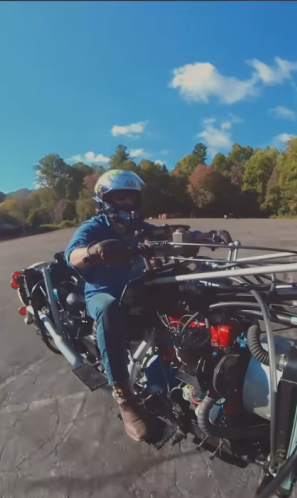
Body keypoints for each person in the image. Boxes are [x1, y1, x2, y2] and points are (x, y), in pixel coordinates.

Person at [64, 169, 233, 442]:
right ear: (105, 200)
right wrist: (93, 252)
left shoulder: (140, 227)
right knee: (108, 310)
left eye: (132, 198)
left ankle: (193, 367)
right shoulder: (94, 227)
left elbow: (168, 237)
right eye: (121, 198)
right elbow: (73, 255)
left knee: (184, 295)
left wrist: (208, 237)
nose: (128, 204)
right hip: (103, 291)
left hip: (139, 285)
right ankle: (125, 398)